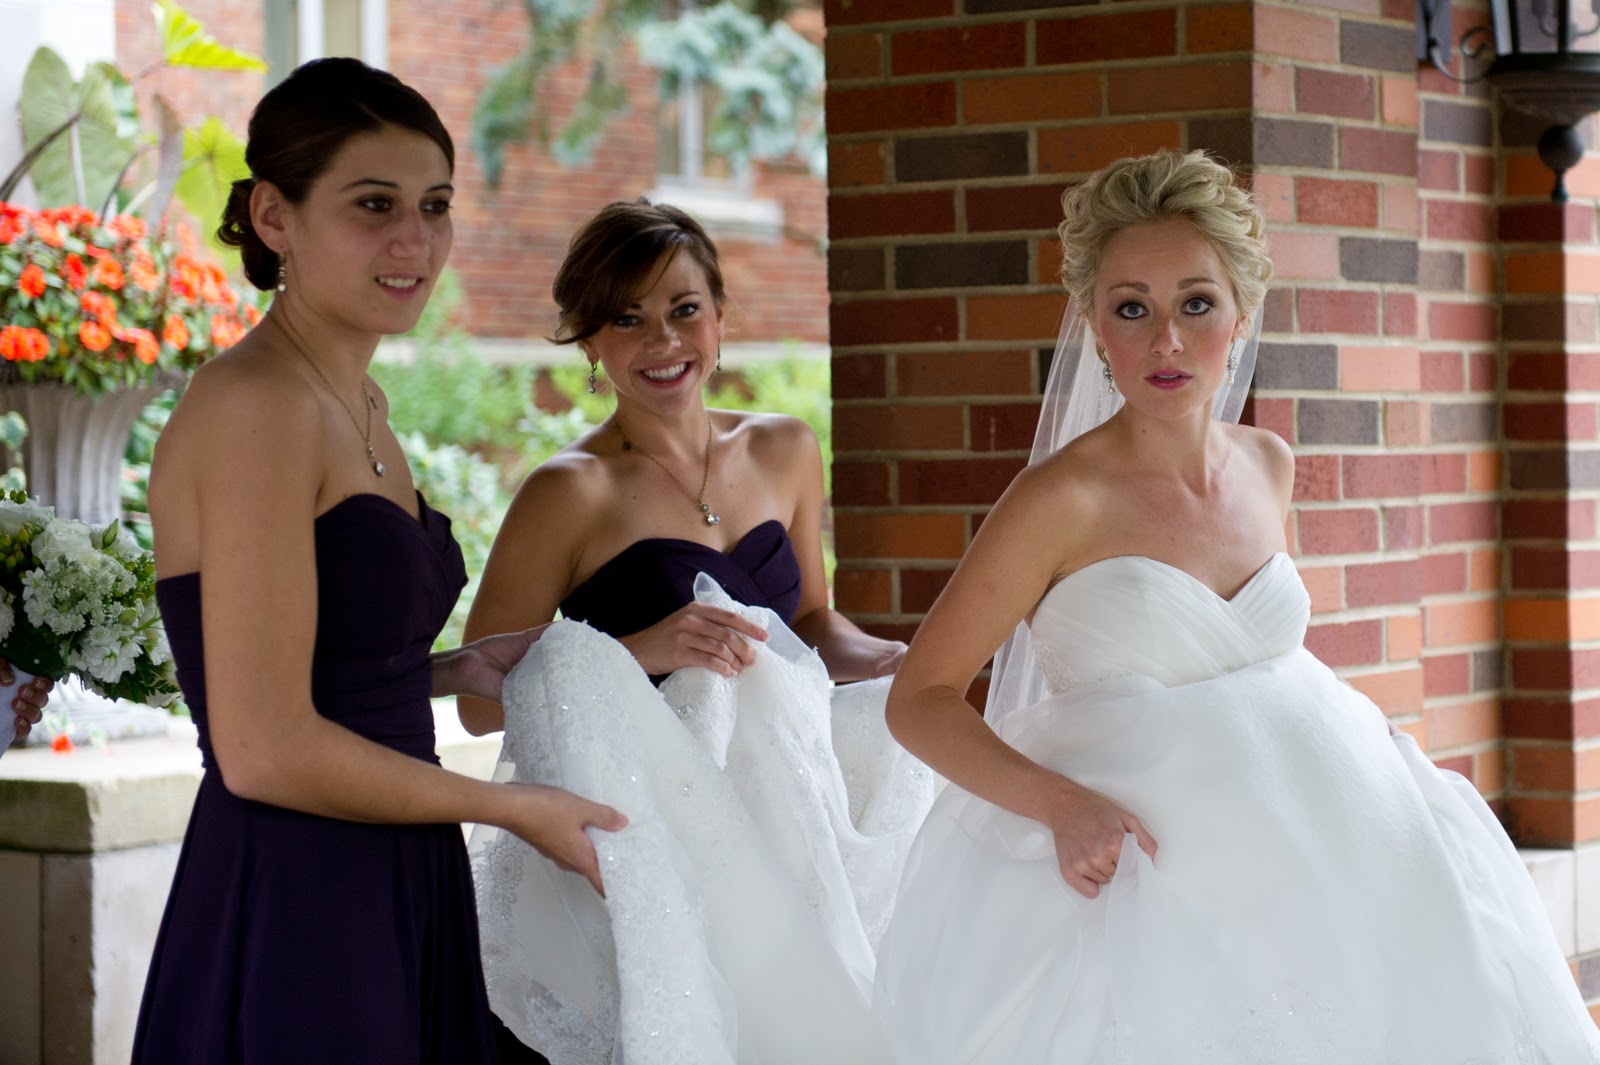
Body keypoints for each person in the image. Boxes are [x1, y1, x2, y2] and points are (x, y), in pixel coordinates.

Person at [873, 149, 1600, 1064]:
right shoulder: (1058, 501)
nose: (1165, 342)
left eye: (1196, 304)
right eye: (1131, 308)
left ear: (1241, 312)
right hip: (1151, 890)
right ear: (1095, 325)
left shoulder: (1268, 464)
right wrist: (1061, 805)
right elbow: (921, 697)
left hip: (1336, 842)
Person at [130, 58, 625, 1064]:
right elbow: (263, 745)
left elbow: (327, 669)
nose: (416, 241)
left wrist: (457, 670)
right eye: (373, 205)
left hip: (397, 863)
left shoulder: (357, 406)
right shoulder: (255, 406)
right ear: (275, 218)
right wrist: (507, 805)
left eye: (434, 206)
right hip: (300, 891)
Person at [461, 199, 935, 1064]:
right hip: (665, 828)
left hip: (792, 813)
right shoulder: (567, 493)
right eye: (627, 319)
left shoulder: (786, 450)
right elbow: (479, 703)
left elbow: (812, 625)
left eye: (683, 309)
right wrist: (641, 648)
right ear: (588, 342)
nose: (663, 341)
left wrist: (892, 659)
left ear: (720, 315)